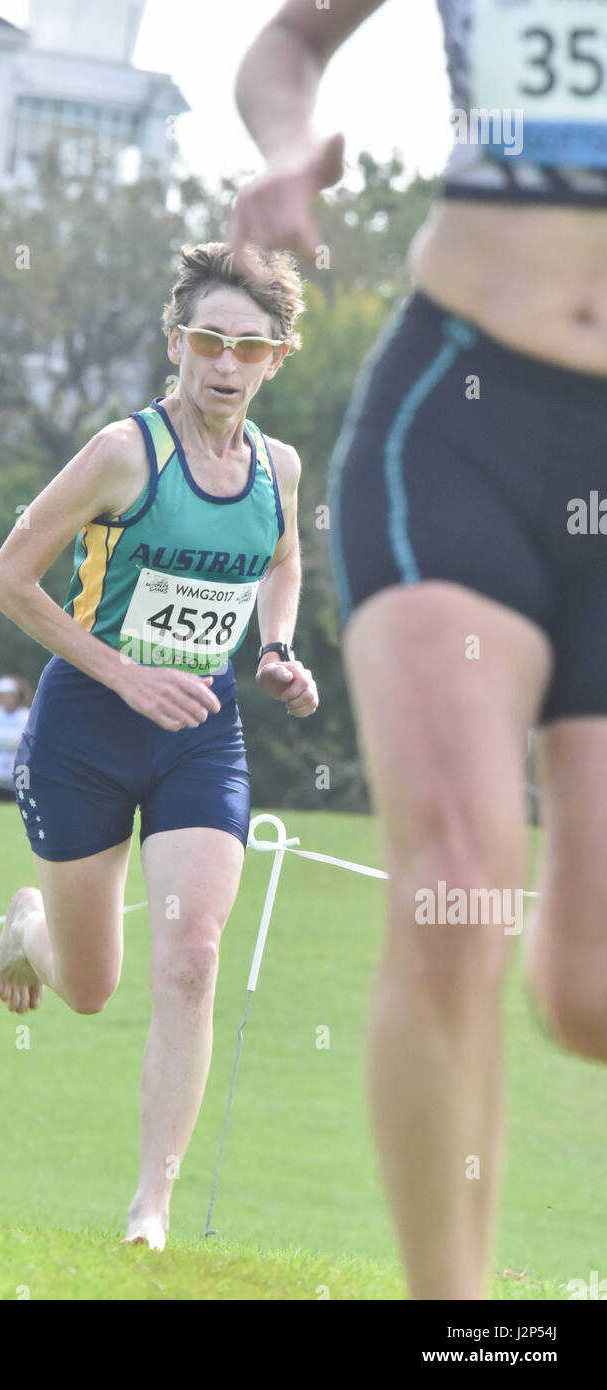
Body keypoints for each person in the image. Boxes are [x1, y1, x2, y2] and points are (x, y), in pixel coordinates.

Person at [230, 0, 607, 1300]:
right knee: (453, 885)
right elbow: (286, 44)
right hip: (461, 415)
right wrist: (285, 144)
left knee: (587, 990)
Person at [0, 242, 319, 1249]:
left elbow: (283, 559)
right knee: (89, 989)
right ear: (176, 342)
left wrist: (276, 647)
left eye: (248, 347)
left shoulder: (279, 467)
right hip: (86, 731)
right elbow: (9, 580)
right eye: (209, 340)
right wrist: (122, 672)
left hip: (198, 737)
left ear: (276, 358)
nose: (225, 363)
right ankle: (27, 929)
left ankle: (151, 1204)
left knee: (190, 956)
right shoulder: (124, 453)